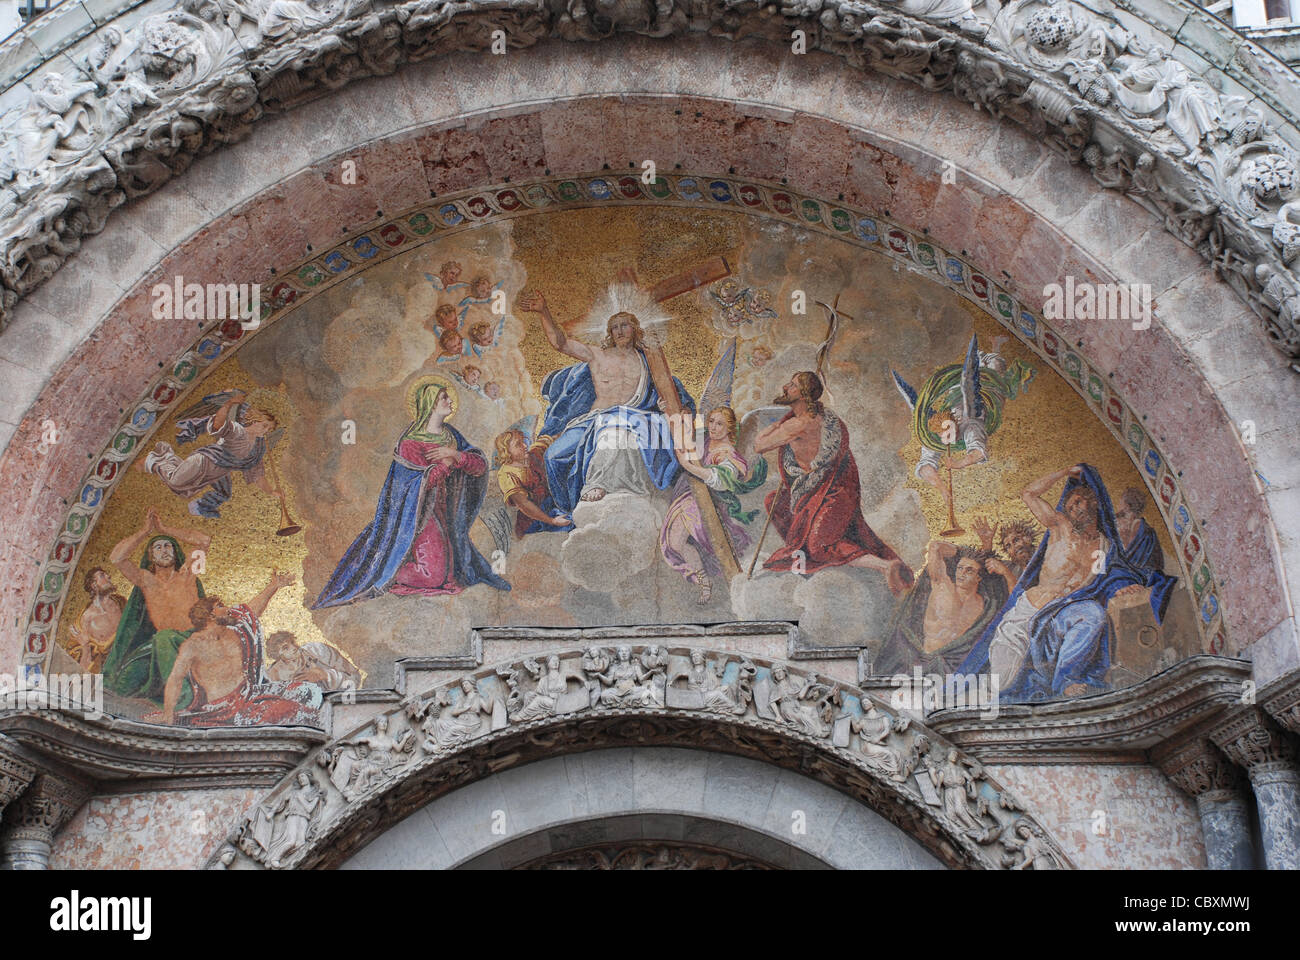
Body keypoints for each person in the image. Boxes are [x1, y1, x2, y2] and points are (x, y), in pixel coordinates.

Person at [958, 464, 1177, 701]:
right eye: (1070, 506)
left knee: (1093, 614)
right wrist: (1063, 473)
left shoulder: (1104, 545)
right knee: (1002, 684)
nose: (1075, 509)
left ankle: (1067, 679)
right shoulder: (1061, 528)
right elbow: (1028, 494)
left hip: (1062, 613)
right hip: (1029, 613)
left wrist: (1119, 586)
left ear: (1094, 502)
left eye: (1080, 502)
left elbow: (1103, 579)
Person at [313, 380, 508, 607]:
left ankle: (392, 565)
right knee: (434, 576)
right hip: (418, 516)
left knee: (454, 573)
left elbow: (479, 466)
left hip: (448, 514)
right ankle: (385, 572)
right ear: (430, 404)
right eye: (444, 397)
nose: (450, 401)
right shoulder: (410, 444)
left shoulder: (451, 437)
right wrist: (446, 464)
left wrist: (456, 455)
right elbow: (415, 486)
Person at [519, 289, 694, 512]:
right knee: (554, 456)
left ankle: (599, 486)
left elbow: (668, 390)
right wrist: (544, 311)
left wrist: (671, 408)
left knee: (613, 438)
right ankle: (568, 509)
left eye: (625, 325)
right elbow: (560, 343)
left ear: (635, 329)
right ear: (609, 332)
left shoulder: (648, 361)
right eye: (615, 327)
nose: (619, 331)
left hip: (628, 418)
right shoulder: (597, 355)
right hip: (593, 419)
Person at [753, 371, 912, 596]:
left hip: (829, 494)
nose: (786, 387)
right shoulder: (825, 417)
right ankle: (804, 553)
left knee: (820, 546)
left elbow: (759, 445)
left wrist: (780, 421)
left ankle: (885, 567)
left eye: (793, 385)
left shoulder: (796, 425)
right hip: (826, 490)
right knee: (775, 502)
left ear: (804, 394)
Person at [161, 571, 316, 726]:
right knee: (289, 710)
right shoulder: (193, 645)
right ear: (210, 615)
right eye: (220, 606)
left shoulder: (235, 630)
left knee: (309, 691)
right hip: (222, 708)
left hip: (250, 694)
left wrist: (274, 585)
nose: (228, 609)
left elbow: (251, 611)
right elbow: (175, 678)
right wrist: (168, 714)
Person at [660, 406, 767, 603]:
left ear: (729, 429)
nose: (714, 427)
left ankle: (708, 584)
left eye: (720, 424)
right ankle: (703, 581)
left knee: (688, 543)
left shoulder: (728, 453)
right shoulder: (706, 440)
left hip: (705, 503)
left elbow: (721, 479)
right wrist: (669, 413)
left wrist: (688, 466)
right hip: (687, 496)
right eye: (711, 422)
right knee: (675, 544)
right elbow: (684, 441)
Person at [102, 509, 209, 705]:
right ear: (150, 556)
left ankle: (182, 700)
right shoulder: (146, 580)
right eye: (157, 547)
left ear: (175, 552)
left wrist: (165, 529)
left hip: (191, 638)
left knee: (164, 637)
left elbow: (204, 541)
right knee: (122, 683)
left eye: (168, 545)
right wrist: (145, 531)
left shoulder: (187, 574)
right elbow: (117, 558)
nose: (164, 550)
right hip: (160, 646)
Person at [138, 389, 283, 519]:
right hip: (204, 462)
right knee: (176, 481)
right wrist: (228, 404)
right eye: (264, 426)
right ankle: (157, 460)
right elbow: (218, 425)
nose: (265, 431)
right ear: (254, 419)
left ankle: (200, 504)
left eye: (268, 429)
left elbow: (258, 475)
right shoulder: (238, 431)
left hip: (217, 473)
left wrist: (271, 492)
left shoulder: (257, 449)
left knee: (202, 492)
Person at [873, 542, 1008, 675]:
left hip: (957, 668)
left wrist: (1005, 571)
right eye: (960, 568)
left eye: (969, 570)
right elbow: (935, 546)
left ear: (978, 577)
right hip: (925, 663)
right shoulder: (942, 586)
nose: (962, 573)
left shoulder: (985, 605)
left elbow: (1016, 604)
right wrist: (961, 551)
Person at [494, 429, 570, 536]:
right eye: (518, 444)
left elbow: (548, 440)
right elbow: (524, 504)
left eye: (523, 441)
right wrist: (552, 521)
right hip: (535, 518)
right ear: (507, 451)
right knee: (571, 523)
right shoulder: (506, 474)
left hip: (554, 502)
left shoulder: (533, 454)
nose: (525, 446)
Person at [68, 567, 125, 672]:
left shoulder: (120, 602)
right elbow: (84, 667)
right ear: (94, 585)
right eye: (102, 575)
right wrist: (85, 646)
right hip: (112, 668)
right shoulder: (86, 619)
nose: (108, 577)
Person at [265, 630, 361, 690]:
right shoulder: (273, 676)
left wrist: (325, 675)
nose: (294, 647)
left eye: (292, 642)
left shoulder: (318, 650)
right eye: (286, 648)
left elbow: (355, 679)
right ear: (277, 656)